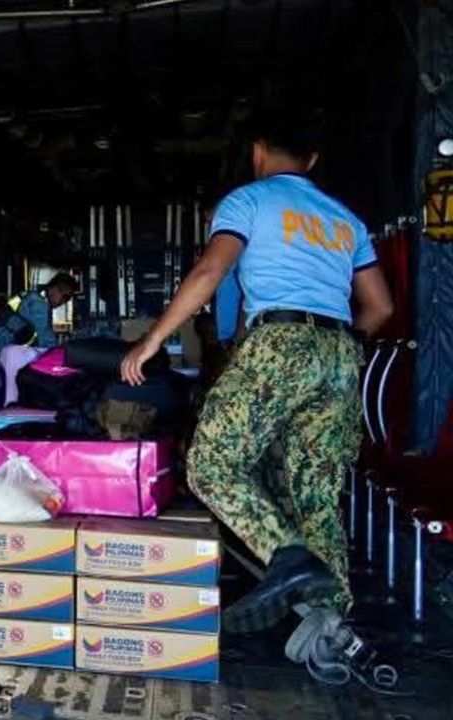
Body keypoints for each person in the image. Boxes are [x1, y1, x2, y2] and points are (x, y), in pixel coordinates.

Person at [119, 110, 393, 634]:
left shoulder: (247, 200)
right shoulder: (345, 219)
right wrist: (335, 348)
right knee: (315, 492)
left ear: (257, 152)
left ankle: (286, 557)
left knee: (211, 464)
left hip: (281, 339)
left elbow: (211, 270)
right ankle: (331, 626)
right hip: (340, 351)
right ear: (311, 161)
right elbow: (379, 306)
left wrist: (153, 340)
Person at [0, 272, 78, 362]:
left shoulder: (34, 297)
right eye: (65, 296)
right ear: (53, 289)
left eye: (68, 299)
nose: (64, 302)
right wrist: (61, 358)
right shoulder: (38, 303)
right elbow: (46, 338)